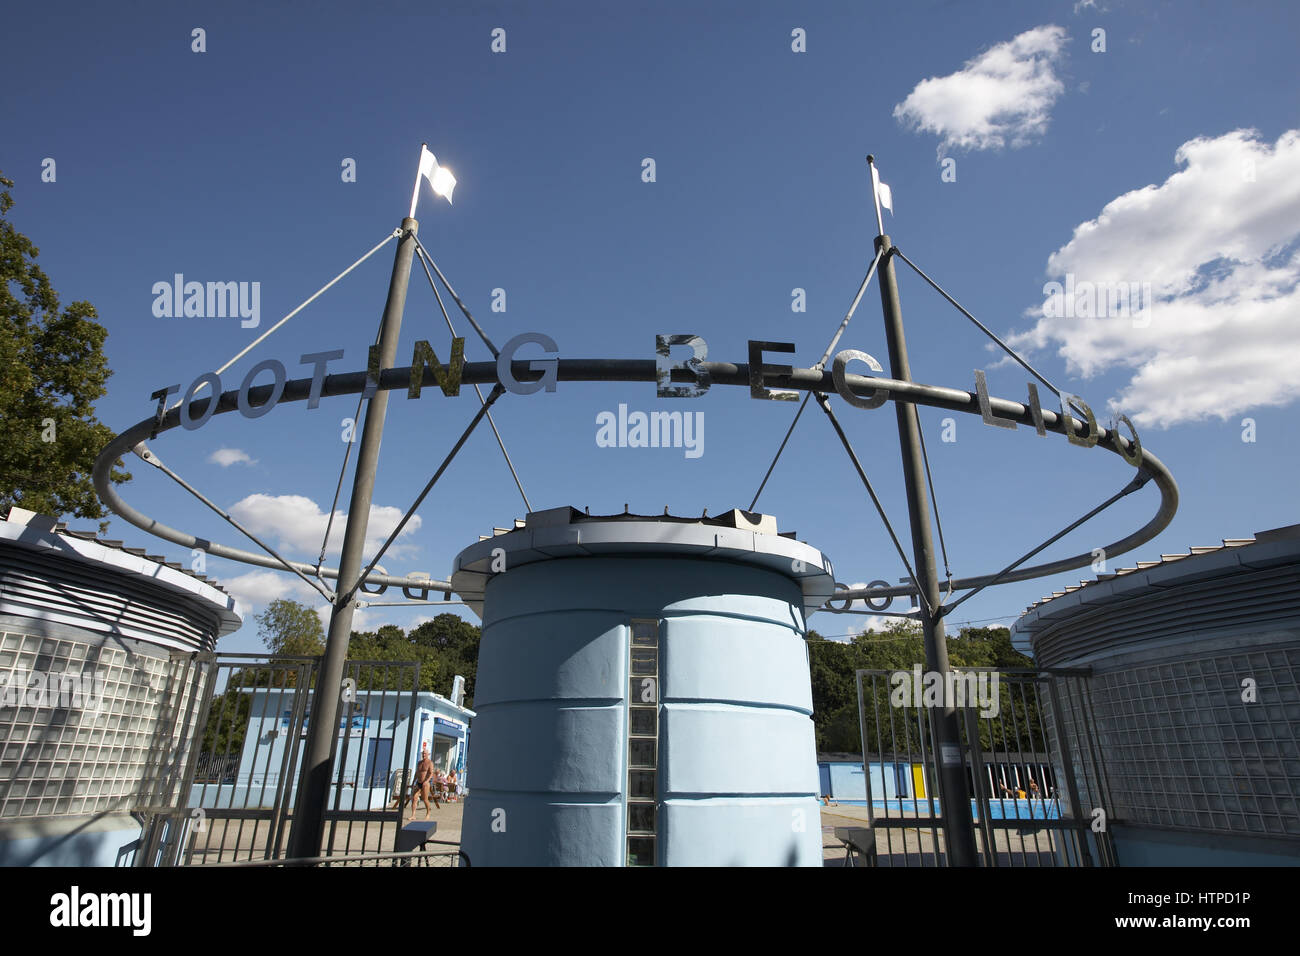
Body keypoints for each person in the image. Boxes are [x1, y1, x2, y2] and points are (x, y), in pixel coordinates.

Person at [405, 743, 439, 819]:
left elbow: (431, 773)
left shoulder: (430, 763)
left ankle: (428, 813)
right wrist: (413, 782)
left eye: (425, 754)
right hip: (418, 783)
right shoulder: (419, 763)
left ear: (428, 754)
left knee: (425, 799)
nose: (424, 755)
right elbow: (417, 773)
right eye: (423, 754)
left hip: (425, 784)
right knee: (414, 798)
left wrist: (426, 781)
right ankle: (413, 815)